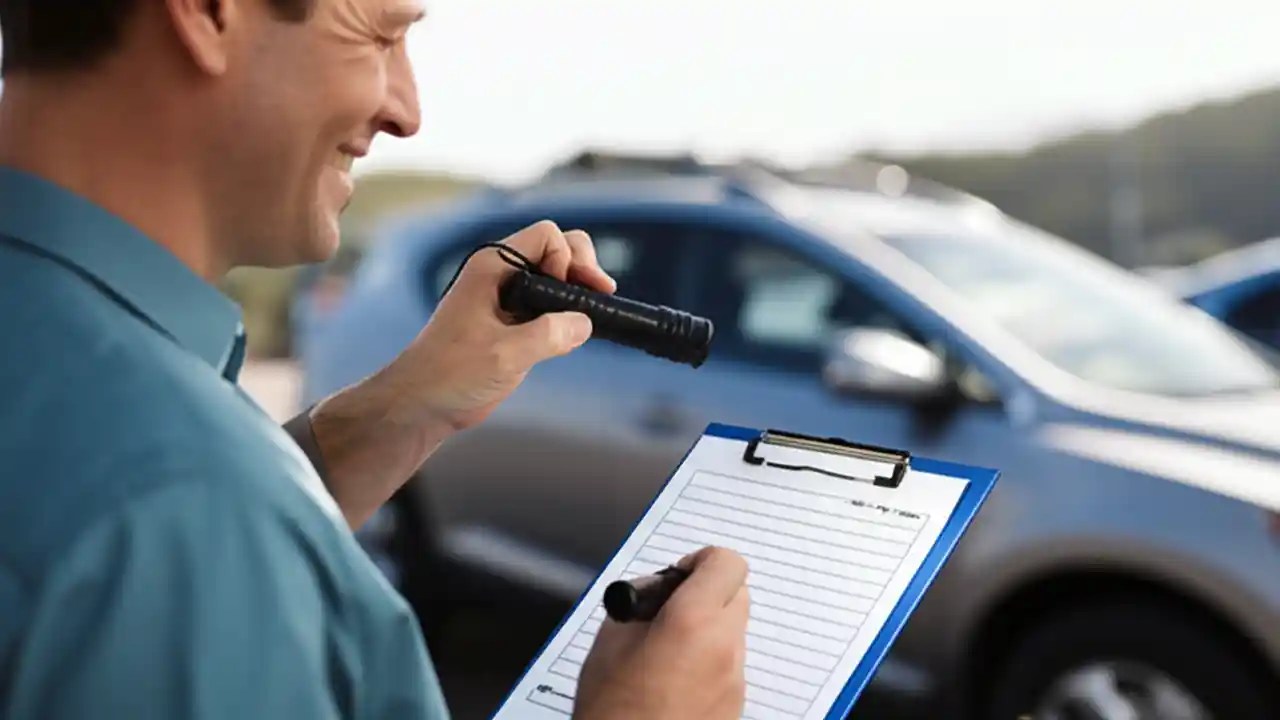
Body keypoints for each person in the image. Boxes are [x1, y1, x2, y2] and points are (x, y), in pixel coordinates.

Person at [0, 1, 750, 718]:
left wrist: (406, 406)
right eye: (380, 36)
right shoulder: (183, 507)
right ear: (207, 9)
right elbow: (190, 518)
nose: (407, 109)